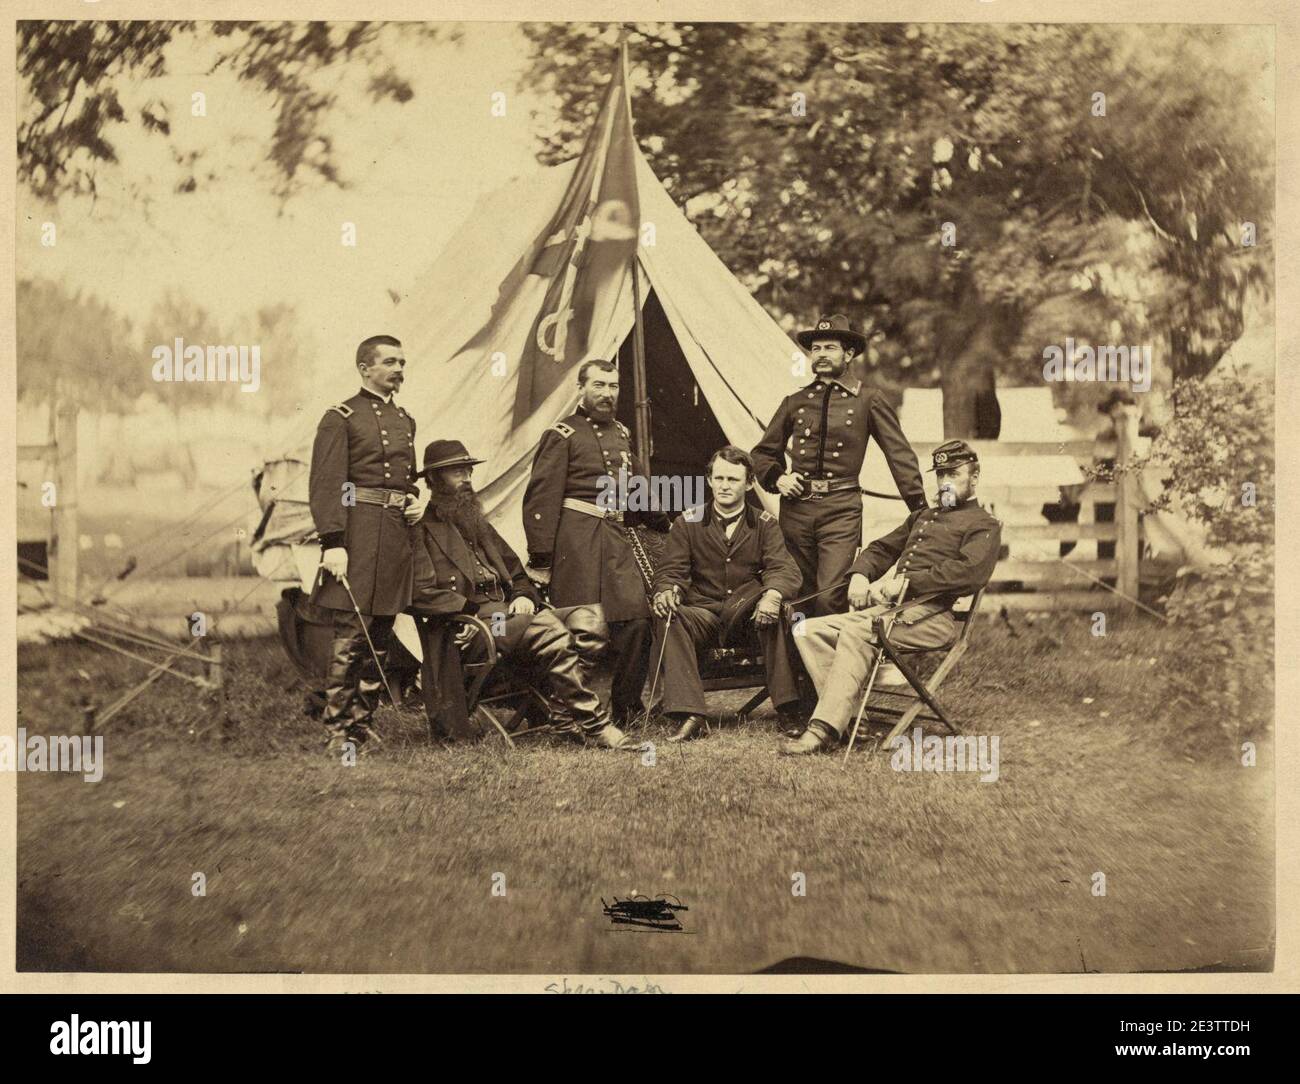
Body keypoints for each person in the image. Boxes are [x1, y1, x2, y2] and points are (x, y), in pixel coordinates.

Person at [409, 440, 633, 750]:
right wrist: (467, 609)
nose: (467, 479)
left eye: (468, 471)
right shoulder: (420, 532)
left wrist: (522, 593)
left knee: (591, 618)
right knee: (547, 628)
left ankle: (561, 718)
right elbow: (418, 594)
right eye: (456, 472)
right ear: (432, 480)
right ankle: (595, 725)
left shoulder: (479, 525)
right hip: (477, 627)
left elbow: (516, 573)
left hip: (510, 617)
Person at [782, 440, 1001, 756]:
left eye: (953, 474)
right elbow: (881, 549)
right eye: (940, 475)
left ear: (974, 477)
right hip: (890, 612)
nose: (945, 483)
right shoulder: (923, 517)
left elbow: (969, 573)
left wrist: (907, 583)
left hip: (932, 618)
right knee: (807, 630)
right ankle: (855, 719)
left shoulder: (984, 524)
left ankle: (824, 729)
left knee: (858, 632)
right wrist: (860, 574)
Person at [751, 313, 928, 616]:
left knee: (830, 596)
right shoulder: (795, 401)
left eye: (830, 348)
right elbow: (762, 454)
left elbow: (899, 454)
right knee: (797, 597)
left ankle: (831, 663)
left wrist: (920, 507)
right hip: (797, 510)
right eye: (816, 348)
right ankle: (797, 665)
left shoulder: (868, 400)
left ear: (848, 354)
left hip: (841, 510)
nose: (820, 355)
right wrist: (778, 478)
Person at [522, 358, 667, 723]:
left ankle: (626, 706)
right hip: (576, 542)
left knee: (635, 620)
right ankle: (563, 710)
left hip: (615, 539)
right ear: (581, 389)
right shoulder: (562, 434)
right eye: (599, 385)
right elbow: (541, 499)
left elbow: (634, 485)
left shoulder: (621, 432)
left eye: (613, 386)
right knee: (581, 629)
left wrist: (664, 522)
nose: (607, 393)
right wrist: (541, 557)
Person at [309, 334, 423, 754]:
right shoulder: (341, 417)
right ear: (364, 368)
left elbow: (402, 478)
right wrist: (333, 542)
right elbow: (327, 484)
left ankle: (360, 725)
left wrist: (411, 500)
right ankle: (337, 731)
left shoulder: (406, 419)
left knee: (380, 634)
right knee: (350, 635)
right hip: (356, 537)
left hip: (393, 536)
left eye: (402, 362)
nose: (399, 369)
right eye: (390, 361)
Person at [649, 446, 804, 743]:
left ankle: (788, 708)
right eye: (718, 478)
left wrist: (771, 595)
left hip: (748, 616)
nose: (724, 486)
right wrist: (666, 590)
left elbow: (783, 569)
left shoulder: (765, 524)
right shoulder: (687, 521)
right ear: (708, 480)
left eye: (732, 480)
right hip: (703, 615)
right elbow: (671, 570)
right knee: (670, 616)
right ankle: (690, 714)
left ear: (748, 484)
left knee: (779, 611)